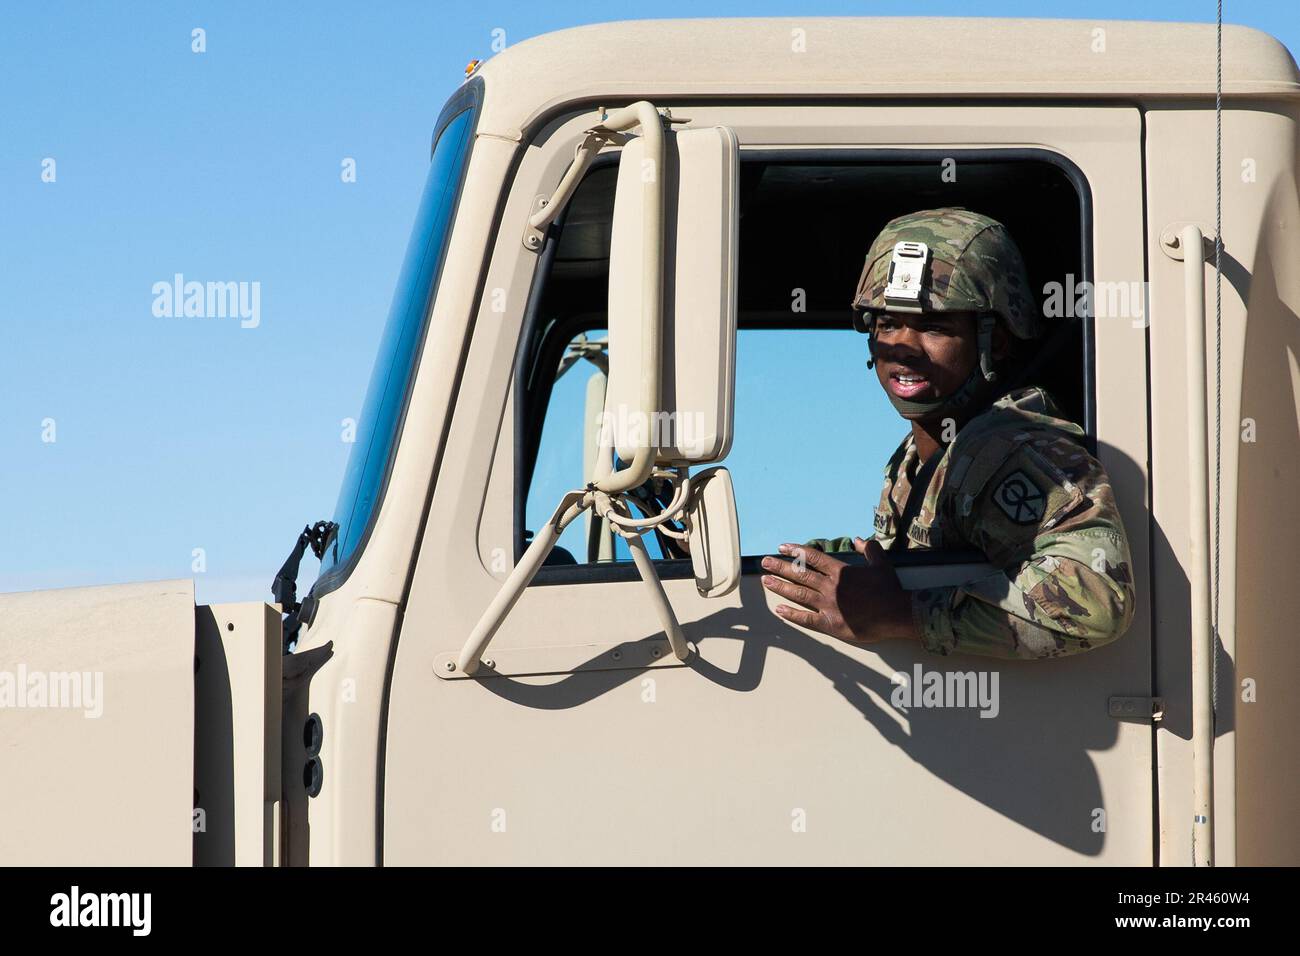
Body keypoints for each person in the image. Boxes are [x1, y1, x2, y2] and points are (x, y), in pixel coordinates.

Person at [759, 208, 1135, 660]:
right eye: (887, 323)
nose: (903, 347)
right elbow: (913, 556)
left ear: (993, 341)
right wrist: (814, 564)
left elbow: (1096, 603)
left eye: (934, 327)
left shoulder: (1010, 450)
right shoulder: (927, 451)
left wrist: (902, 615)